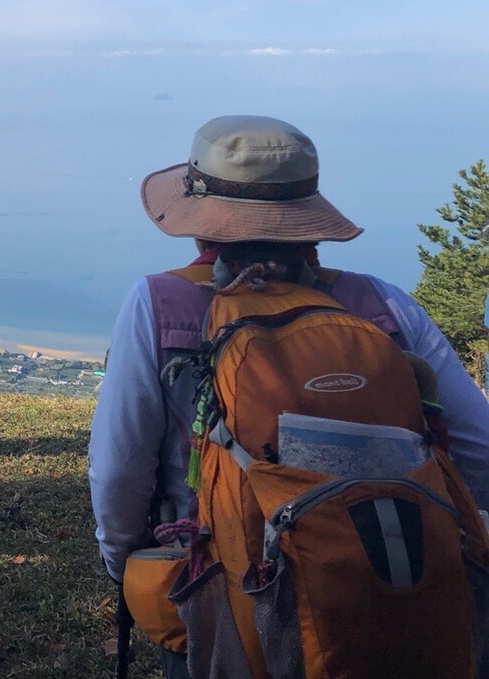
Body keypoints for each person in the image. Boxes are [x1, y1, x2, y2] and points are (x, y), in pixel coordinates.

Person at [89, 115, 489, 678]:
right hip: (395, 586)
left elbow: (119, 472)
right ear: (310, 221)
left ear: (201, 224)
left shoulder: (158, 304)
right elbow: (478, 454)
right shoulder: (383, 306)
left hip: (229, 600)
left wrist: (123, 562)